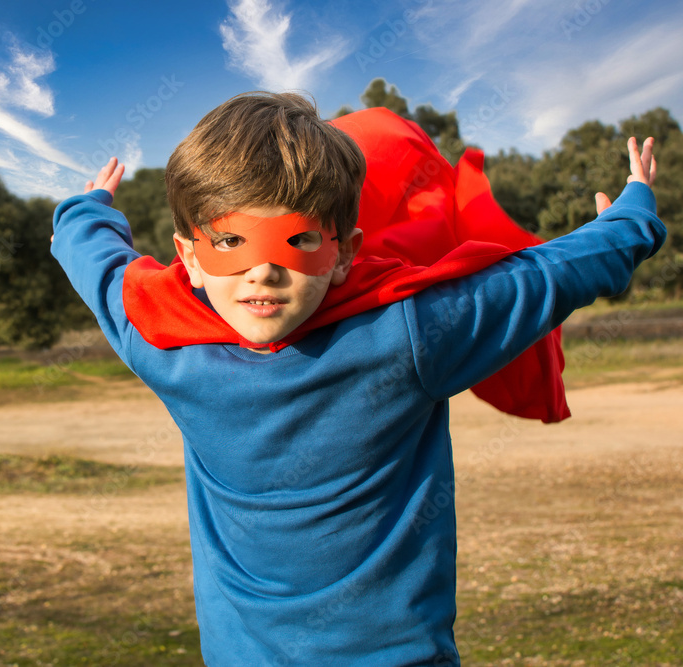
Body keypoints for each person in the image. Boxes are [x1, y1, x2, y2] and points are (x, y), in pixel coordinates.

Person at [50, 92, 663, 666]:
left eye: (299, 240)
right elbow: (557, 272)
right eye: (231, 242)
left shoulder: (156, 336)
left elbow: (95, 263)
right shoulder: (416, 332)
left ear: (345, 251)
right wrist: (632, 213)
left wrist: (85, 209)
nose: (262, 272)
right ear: (190, 256)